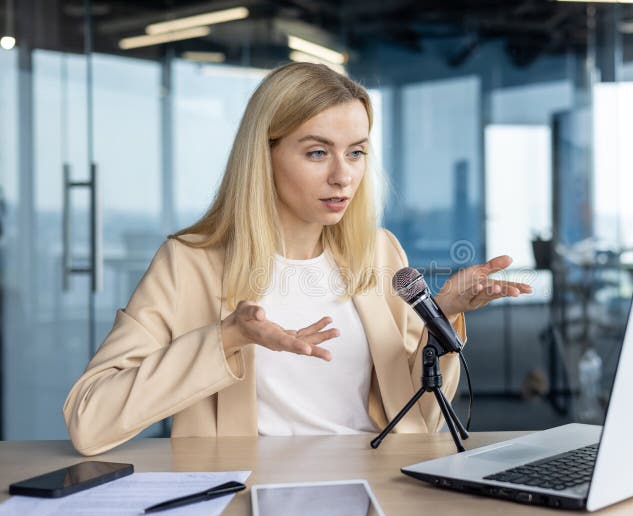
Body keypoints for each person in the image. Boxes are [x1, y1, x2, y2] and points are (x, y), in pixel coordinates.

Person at [63, 62, 530, 456]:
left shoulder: (379, 252)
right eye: (317, 152)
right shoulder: (189, 264)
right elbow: (90, 420)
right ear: (263, 156)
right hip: (246, 491)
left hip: (376, 487)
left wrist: (441, 318)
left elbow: (419, 417)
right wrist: (226, 338)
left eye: (356, 153)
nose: (343, 176)